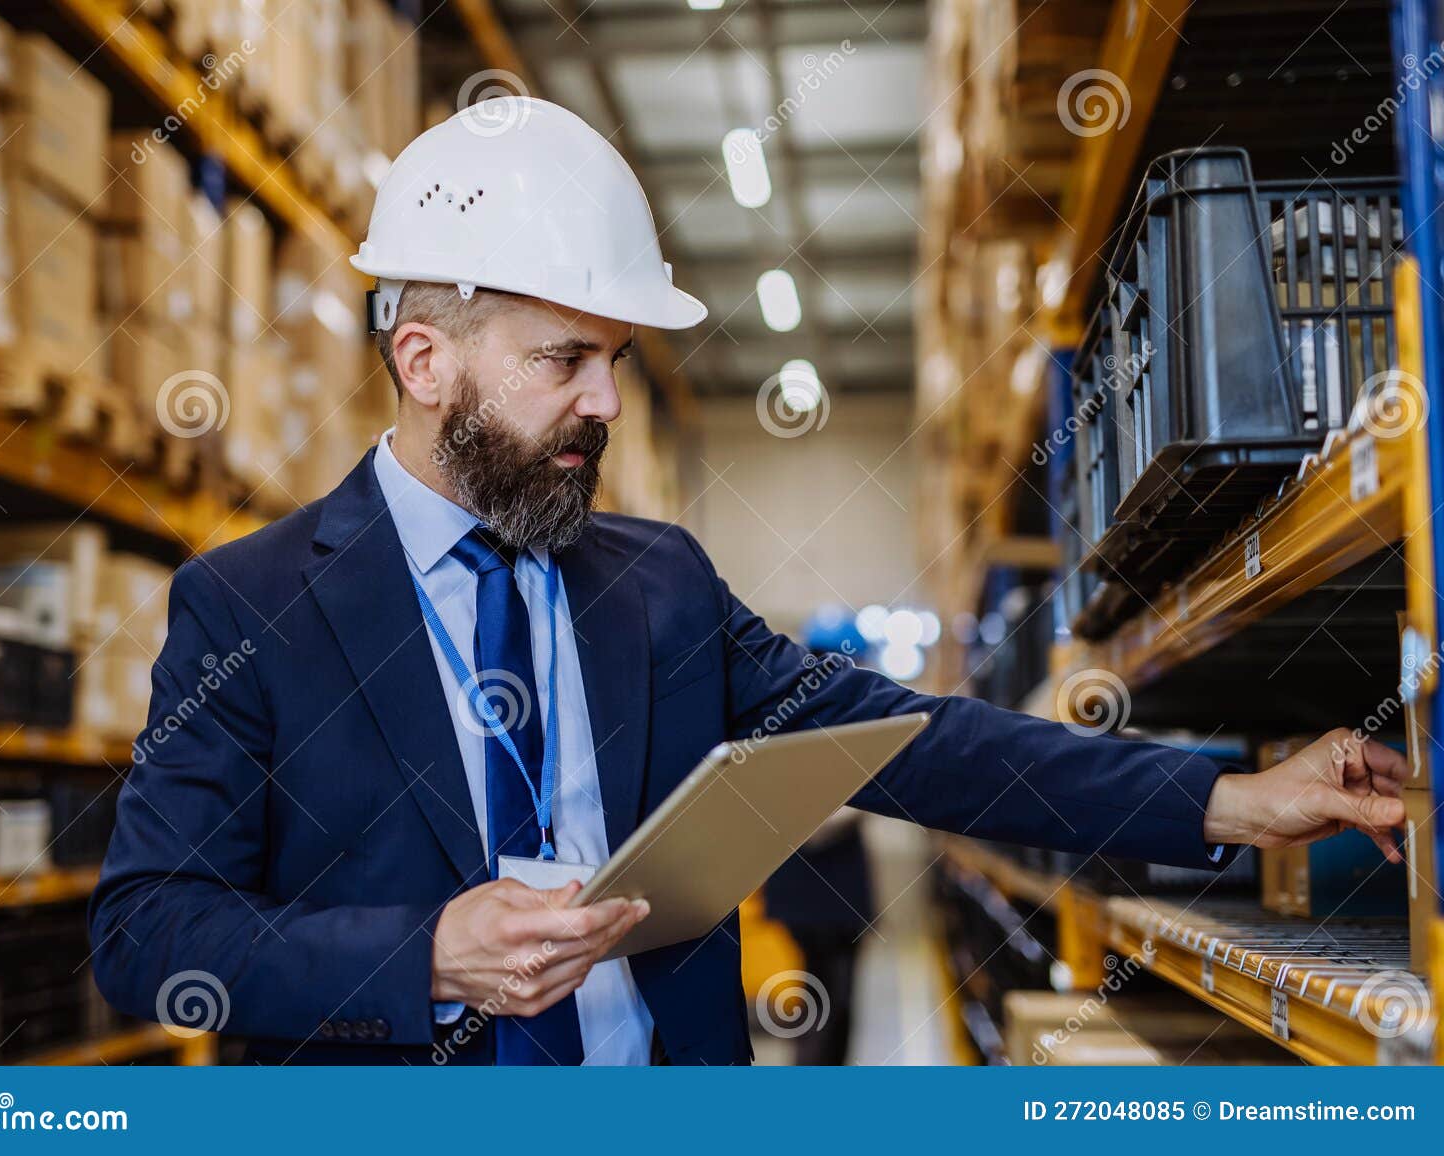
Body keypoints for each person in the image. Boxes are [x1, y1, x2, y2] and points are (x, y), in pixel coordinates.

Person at [88, 97, 1409, 1066]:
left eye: (615, 359)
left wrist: (1234, 798)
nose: (605, 401)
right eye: (566, 361)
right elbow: (149, 932)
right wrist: (425, 955)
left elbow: (915, 747)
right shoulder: (250, 609)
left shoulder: (655, 585)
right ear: (425, 359)